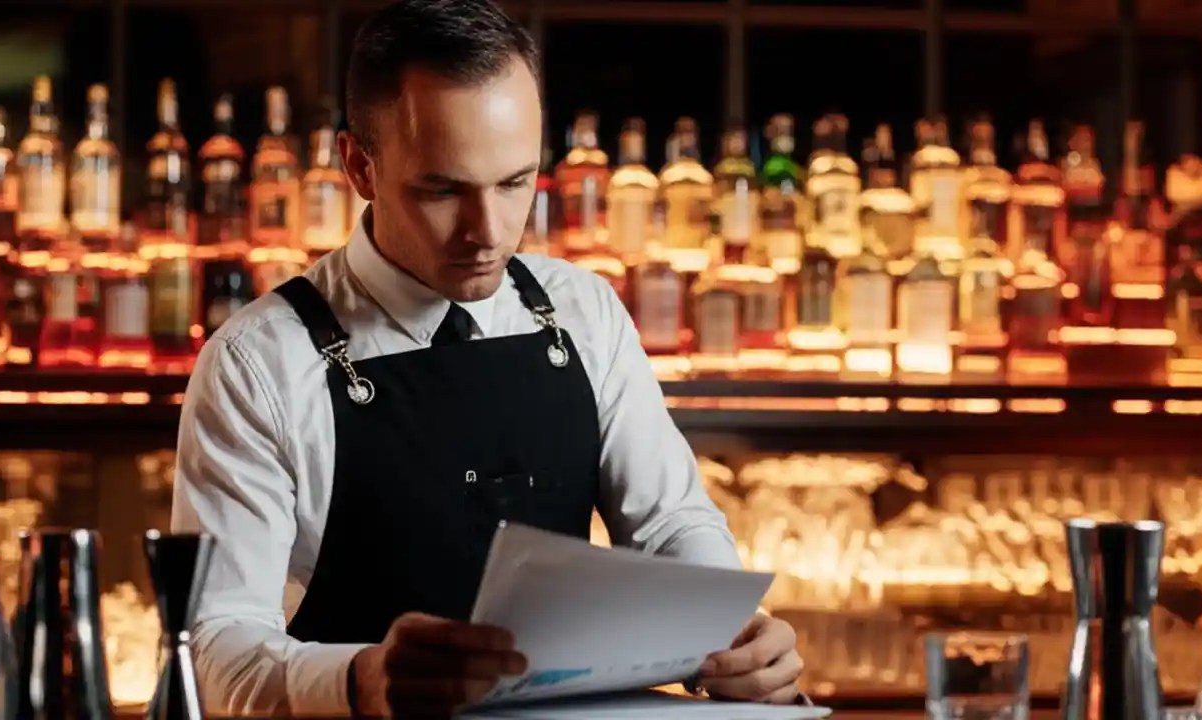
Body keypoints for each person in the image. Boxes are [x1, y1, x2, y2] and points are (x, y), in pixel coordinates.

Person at [171, 0, 804, 715]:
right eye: (443, 190)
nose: (489, 231)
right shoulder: (256, 365)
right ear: (359, 166)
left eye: (514, 183)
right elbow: (216, 650)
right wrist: (362, 679)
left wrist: (732, 629)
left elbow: (669, 524)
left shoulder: (584, 312)